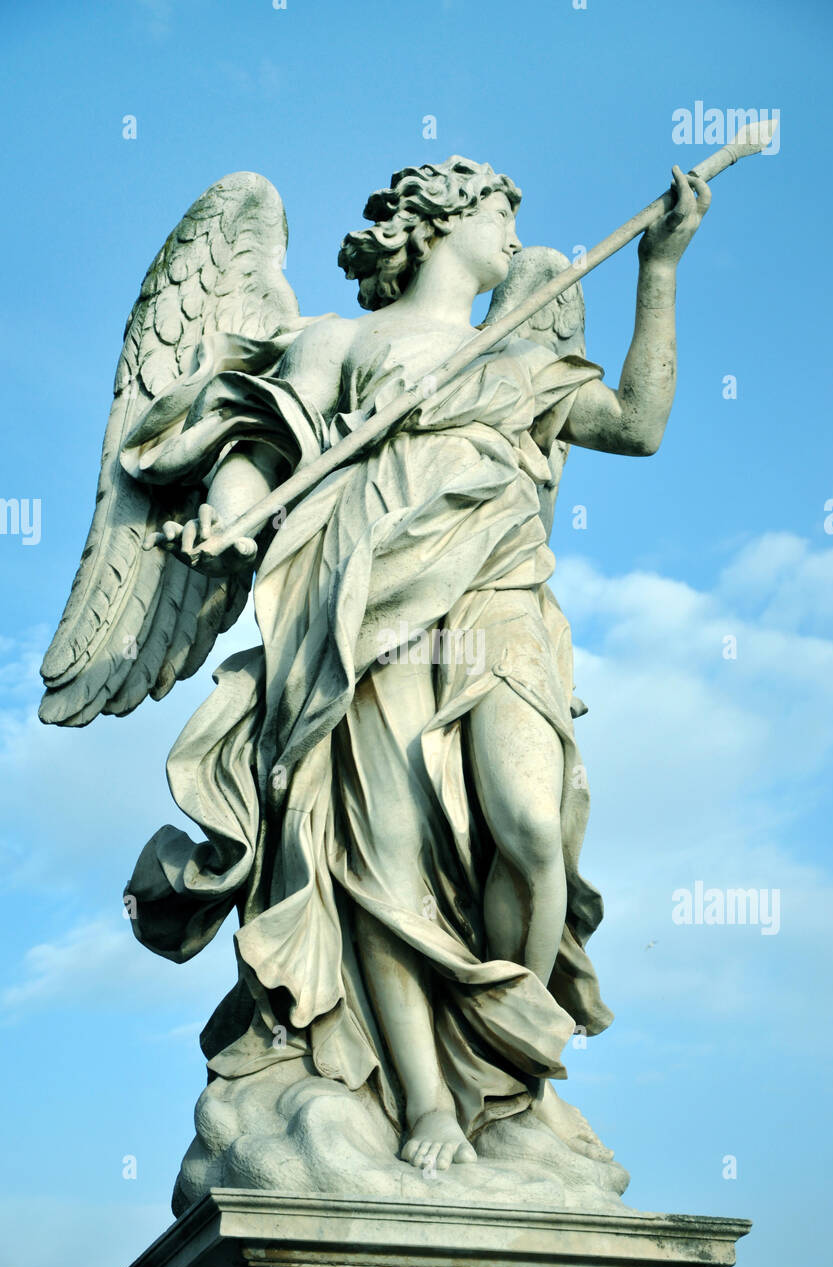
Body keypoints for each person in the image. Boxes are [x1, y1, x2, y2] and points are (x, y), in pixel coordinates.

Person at [131, 155, 710, 1175]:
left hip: (498, 602)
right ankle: (430, 1101)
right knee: (382, 860)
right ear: (440, 221)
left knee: (532, 831)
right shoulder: (340, 340)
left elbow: (638, 425)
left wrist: (657, 269)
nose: (514, 231)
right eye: (499, 209)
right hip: (368, 607)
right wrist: (223, 524)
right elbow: (261, 449)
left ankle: (505, 1068)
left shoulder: (514, 355)